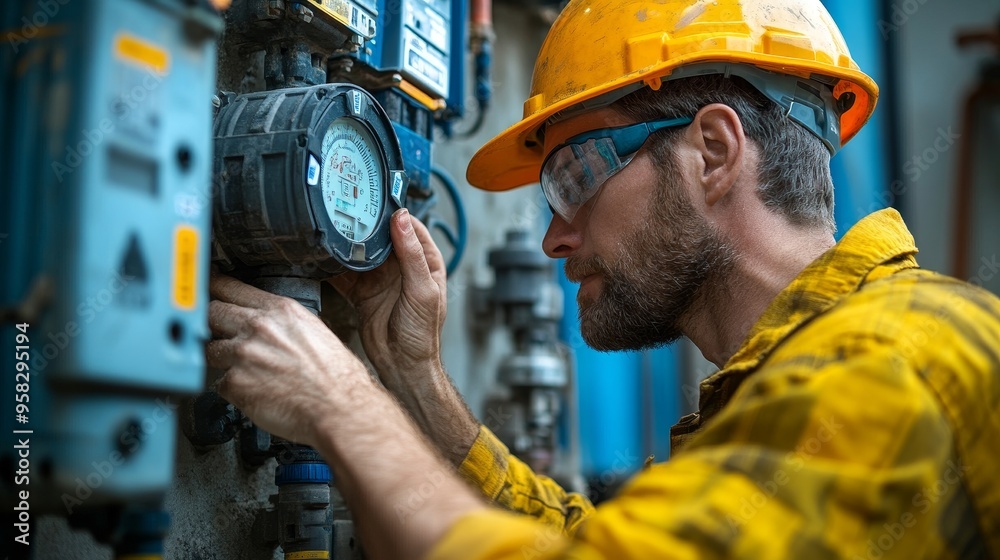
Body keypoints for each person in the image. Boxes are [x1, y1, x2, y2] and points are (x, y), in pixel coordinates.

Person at [206, 0, 1000, 557]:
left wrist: (339, 403)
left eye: (575, 174)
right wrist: (411, 378)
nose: (555, 237)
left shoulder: (888, 368)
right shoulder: (801, 380)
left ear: (713, 154)